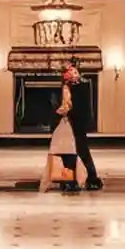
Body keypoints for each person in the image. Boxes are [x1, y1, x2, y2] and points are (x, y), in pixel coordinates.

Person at [64, 60, 103, 191]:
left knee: (82, 151)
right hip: (70, 122)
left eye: (75, 72)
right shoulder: (67, 87)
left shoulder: (82, 86)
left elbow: (81, 106)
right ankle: (71, 180)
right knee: (70, 152)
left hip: (78, 123)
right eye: (70, 71)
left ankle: (91, 178)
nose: (73, 73)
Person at [46, 64, 82, 195]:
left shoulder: (65, 88)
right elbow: (66, 106)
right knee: (68, 153)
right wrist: (62, 112)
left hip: (63, 124)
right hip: (65, 124)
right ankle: (68, 181)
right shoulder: (66, 89)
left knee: (65, 153)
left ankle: (66, 180)